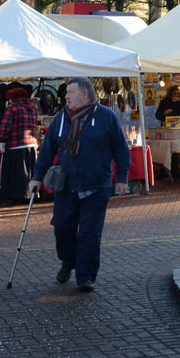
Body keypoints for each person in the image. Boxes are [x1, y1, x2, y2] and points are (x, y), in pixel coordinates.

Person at [30, 77, 130, 293]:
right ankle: (68, 261)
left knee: (90, 233)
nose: (65, 96)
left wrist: (122, 177)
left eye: (70, 92)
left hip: (97, 186)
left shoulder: (106, 117)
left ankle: (85, 276)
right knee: (62, 229)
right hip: (67, 186)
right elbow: (47, 150)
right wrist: (36, 177)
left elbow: (121, 149)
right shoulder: (61, 118)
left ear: (85, 94)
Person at [0, 86, 39, 207]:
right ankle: (29, 196)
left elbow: (6, 126)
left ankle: (14, 197)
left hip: (16, 144)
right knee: (29, 172)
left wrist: (2, 140)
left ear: (11, 98)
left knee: (15, 173)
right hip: (31, 143)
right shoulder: (32, 107)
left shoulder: (12, 108)